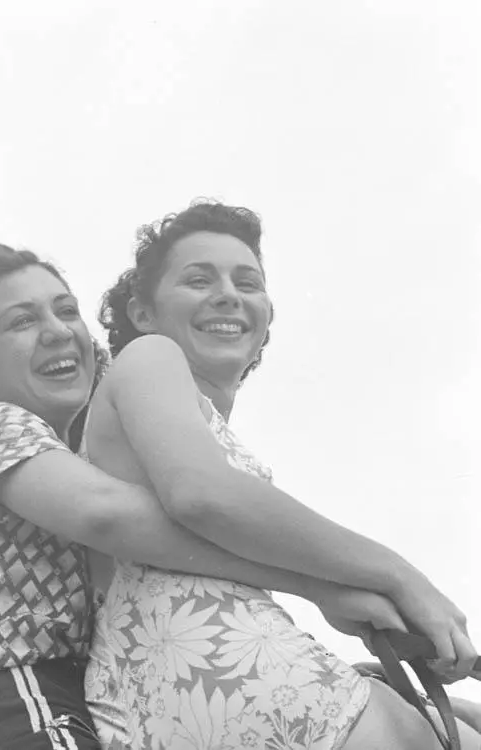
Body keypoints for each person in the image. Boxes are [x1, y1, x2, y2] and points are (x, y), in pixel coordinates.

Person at [0, 242, 417, 749]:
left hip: (69, 703)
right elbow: (114, 519)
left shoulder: (68, 459)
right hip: (9, 704)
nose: (56, 330)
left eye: (66, 309)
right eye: (22, 321)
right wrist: (321, 581)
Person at [82, 201, 480, 749]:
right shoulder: (149, 356)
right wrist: (400, 575)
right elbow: (201, 496)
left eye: (248, 281)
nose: (228, 294)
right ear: (143, 314)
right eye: (199, 279)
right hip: (222, 684)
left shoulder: (197, 422)